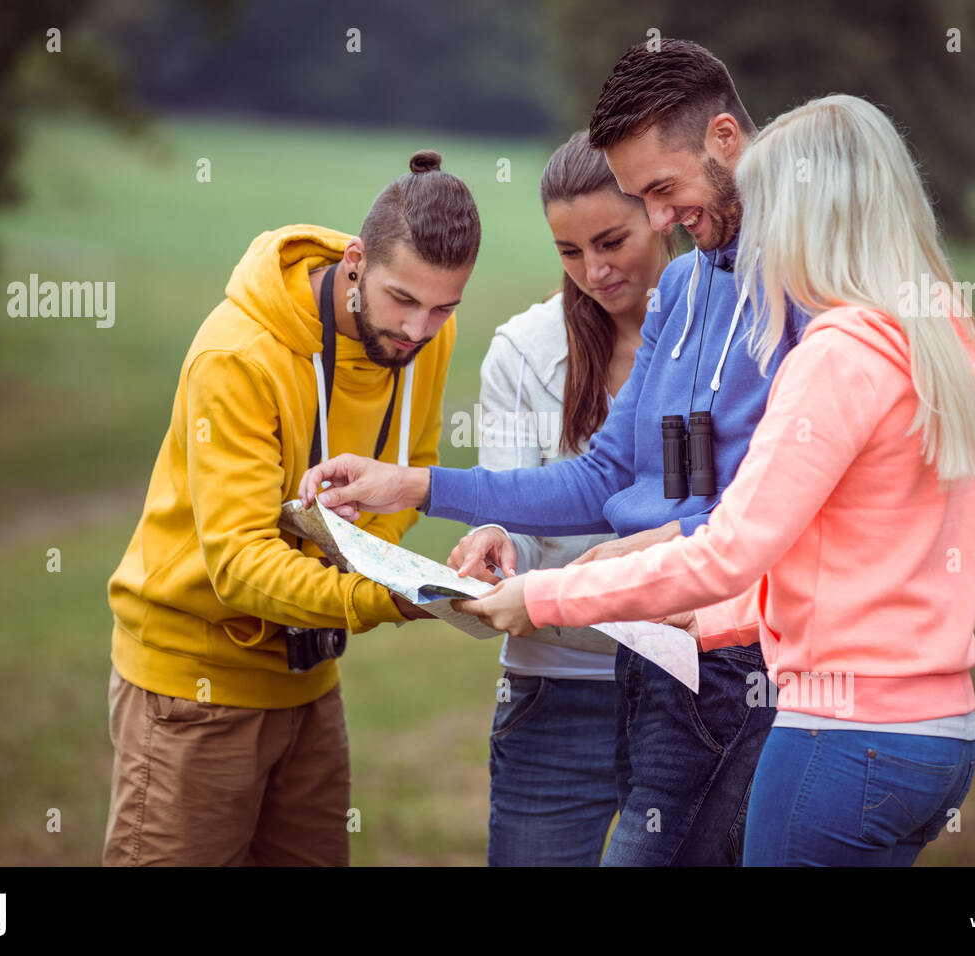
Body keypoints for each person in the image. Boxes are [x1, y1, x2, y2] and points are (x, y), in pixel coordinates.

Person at [457, 94, 975, 867]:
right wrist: (713, 622)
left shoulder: (837, 353)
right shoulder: (937, 336)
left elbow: (728, 547)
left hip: (838, 741)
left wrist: (543, 596)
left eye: (770, 210)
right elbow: (853, 556)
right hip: (940, 738)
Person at [299, 40, 801, 866]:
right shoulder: (685, 288)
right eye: (573, 251)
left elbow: (756, 517)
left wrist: (578, 578)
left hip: (729, 660)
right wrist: (415, 485)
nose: (659, 223)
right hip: (641, 665)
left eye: (655, 198)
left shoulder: (794, 286)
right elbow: (603, 475)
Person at [102, 150, 481, 866]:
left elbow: (411, 469)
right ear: (357, 261)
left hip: (310, 680)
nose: (420, 329)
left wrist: (383, 554)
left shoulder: (427, 334)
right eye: (404, 299)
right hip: (190, 687)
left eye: (444, 307)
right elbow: (240, 567)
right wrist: (390, 592)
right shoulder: (238, 355)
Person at [447, 130, 678, 866]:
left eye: (612, 241)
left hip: (690, 686)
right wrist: (491, 536)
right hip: (556, 686)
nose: (595, 272)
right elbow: (512, 496)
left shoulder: (719, 334)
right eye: (570, 253)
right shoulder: (521, 348)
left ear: (661, 215)